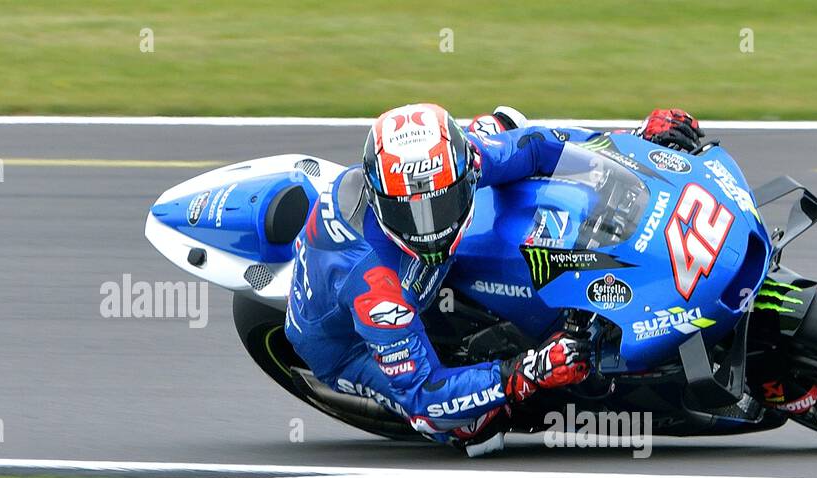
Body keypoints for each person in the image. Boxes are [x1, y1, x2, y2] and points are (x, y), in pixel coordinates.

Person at [284, 104, 703, 452]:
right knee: (466, 427)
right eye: (412, 211)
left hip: (422, 272)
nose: (430, 226)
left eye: (442, 202)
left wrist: (629, 144)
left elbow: (541, 147)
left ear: (463, 170)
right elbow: (425, 397)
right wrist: (524, 372)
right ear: (381, 202)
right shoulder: (377, 289)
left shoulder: (463, 160)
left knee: (507, 124)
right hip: (349, 347)